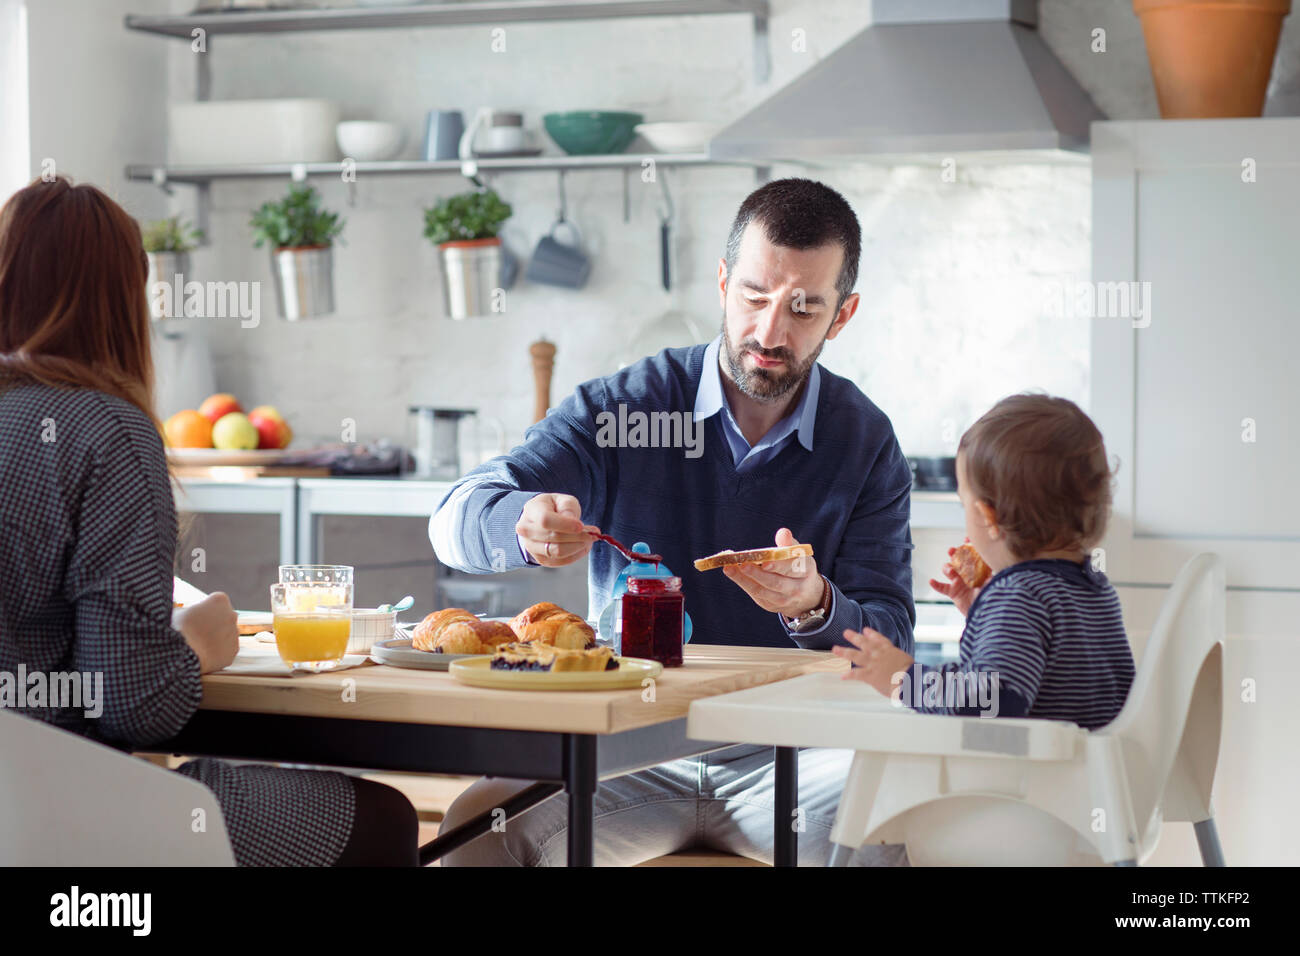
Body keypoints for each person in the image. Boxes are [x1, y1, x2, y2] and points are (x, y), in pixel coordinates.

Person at [430, 177, 914, 865]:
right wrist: (520, 522)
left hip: (798, 758)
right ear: (721, 283)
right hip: (628, 751)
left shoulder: (864, 440)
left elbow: (894, 643)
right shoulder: (625, 407)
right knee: (476, 828)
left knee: (900, 821)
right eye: (753, 296)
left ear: (843, 314)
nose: (769, 332)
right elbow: (451, 518)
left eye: (804, 308)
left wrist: (817, 607)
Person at [0, 175, 417, 866]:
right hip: (51, 817)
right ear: (121, 303)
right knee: (381, 819)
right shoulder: (107, 430)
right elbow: (132, 704)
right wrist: (196, 646)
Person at [839, 394, 1136, 731]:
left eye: (963, 504)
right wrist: (983, 615)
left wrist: (905, 679)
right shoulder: (1093, 587)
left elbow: (994, 699)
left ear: (987, 517)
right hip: (1086, 773)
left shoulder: (1018, 597)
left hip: (1033, 779)